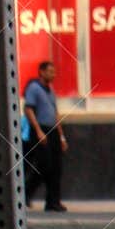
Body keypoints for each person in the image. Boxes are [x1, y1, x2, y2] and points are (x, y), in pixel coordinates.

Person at [22, 60, 68, 212]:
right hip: (41, 130)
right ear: (41, 72)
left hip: (53, 130)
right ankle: (25, 193)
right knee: (44, 166)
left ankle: (53, 201)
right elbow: (29, 110)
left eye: (54, 72)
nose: (53, 75)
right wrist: (38, 131)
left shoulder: (51, 89)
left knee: (56, 167)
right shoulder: (34, 88)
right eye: (50, 72)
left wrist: (61, 137)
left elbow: (55, 113)